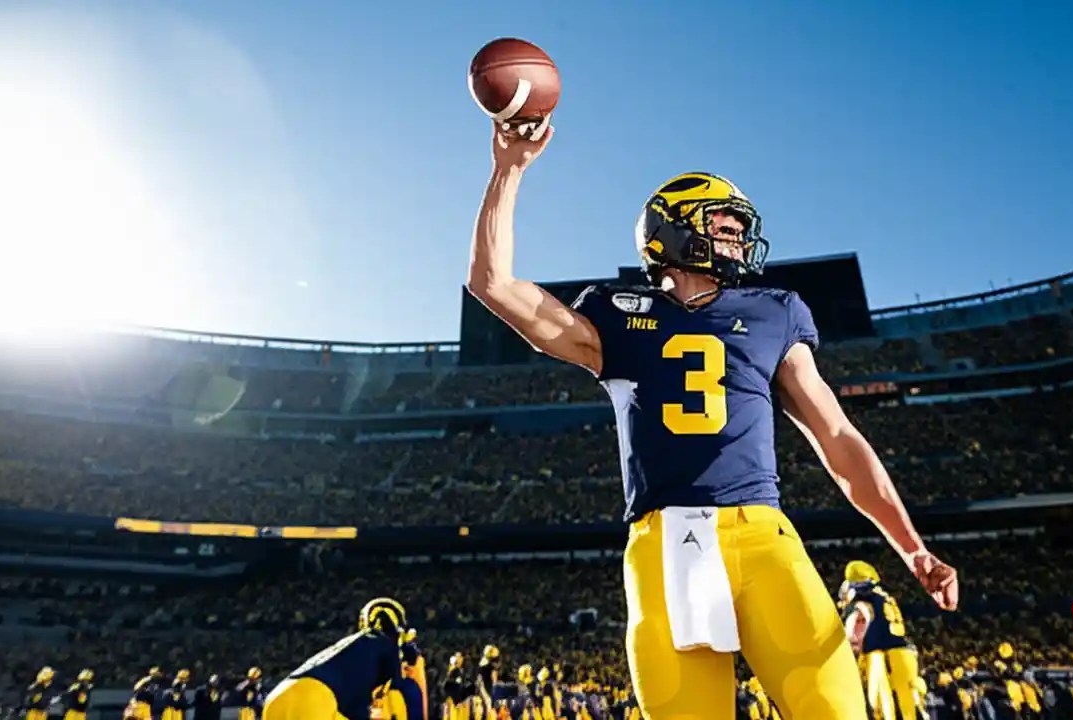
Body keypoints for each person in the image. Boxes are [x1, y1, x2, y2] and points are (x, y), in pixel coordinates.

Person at [465, 119, 959, 720]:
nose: (736, 238)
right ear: (671, 231)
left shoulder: (775, 311)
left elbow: (836, 437)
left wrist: (910, 548)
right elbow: (492, 284)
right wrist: (509, 168)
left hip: (762, 535)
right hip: (663, 543)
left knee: (837, 712)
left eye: (738, 228)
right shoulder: (616, 315)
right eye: (722, 224)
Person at [262, 597, 426, 720]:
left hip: (277, 697)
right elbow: (403, 693)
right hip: (314, 700)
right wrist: (418, 670)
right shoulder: (385, 645)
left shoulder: (350, 648)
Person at [839, 561, 923, 720]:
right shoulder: (885, 596)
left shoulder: (862, 596)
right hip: (904, 654)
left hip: (880, 654)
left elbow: (857, 620)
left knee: (881, 707)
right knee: (910, 708)